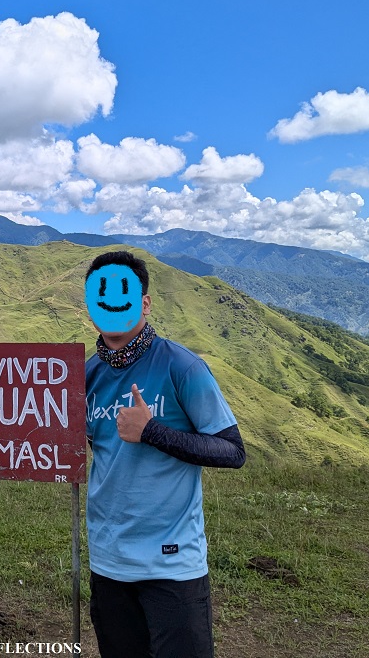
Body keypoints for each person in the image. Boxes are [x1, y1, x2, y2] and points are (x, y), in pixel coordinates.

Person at [83, 250, 246, 658]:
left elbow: (232, 450)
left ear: (145, 302)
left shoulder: (182, 368)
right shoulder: (86, 375)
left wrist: (152, 431)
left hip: (171, 567)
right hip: (108, 559)